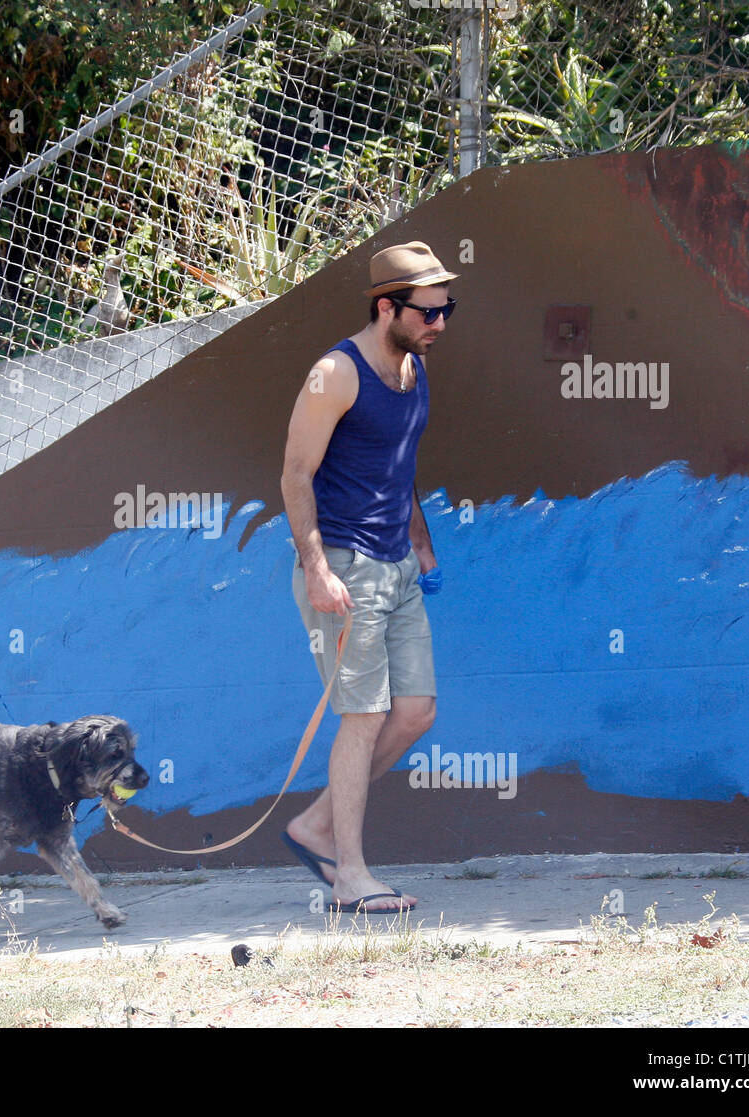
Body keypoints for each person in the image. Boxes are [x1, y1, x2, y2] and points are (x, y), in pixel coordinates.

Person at [279, 240, 457, 913]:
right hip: (345, 568)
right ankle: (349, 873)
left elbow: (399, 468)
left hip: (398, 566)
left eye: (447, 312)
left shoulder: (414, 370)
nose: (440, 325)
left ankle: (318, 823)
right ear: (388, 307)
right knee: (363, 715)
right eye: (429, 313)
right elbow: (296, 475)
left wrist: (422, 546)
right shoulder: (336, 373)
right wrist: (318, 569)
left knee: (414, 712)